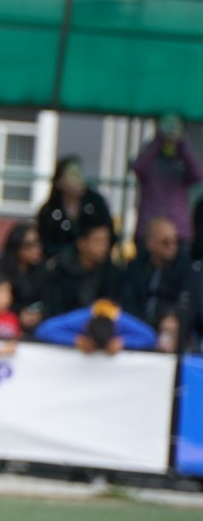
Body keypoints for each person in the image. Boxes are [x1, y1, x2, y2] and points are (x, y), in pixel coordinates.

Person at [120, 216, 200, 348]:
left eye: (175, 242)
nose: (172, 246)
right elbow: (128, 301)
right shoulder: (135, 267)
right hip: (136, 332)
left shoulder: (186, 268)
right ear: (150, 243)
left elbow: (189, 306)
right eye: (166, 242)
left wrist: (171, 319)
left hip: (173, 335)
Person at [133, 114, 201, 252]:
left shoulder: (182, 156)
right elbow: (138, 168)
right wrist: (158, 140)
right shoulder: (149, 153)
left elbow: (198, 174)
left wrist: (180, 144)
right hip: (148, 229)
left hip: (179, 232)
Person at [36, 156, 112, 264]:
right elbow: (45, 243)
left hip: (93, 263)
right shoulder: (49, 210)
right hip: (59, 264)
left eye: (80, 174)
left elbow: (108, 233)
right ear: (59, 182)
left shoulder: (96, 204)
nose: (79, 179)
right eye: (72, 175)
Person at [42, 221, 122, 318]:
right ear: (81, 243)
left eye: (106, 242)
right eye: (98, 241)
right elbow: (53, 307)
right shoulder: (62, 271)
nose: (104, 247)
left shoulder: (113, 273)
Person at [0, 222, 50, 337]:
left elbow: (49, 299)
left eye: (38, 243)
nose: (37, 249)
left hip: (36, 325)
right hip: (2, 324)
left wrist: (40, 314)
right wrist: (18, 314)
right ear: (17, 246)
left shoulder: (43, 270)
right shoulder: (0, 268)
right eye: (30, 245)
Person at [36, 299, 157, 354]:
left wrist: (123, 342)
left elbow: (151, 337)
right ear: (85, 326)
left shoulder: (121, 321)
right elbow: (44, 329)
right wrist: (75, 340)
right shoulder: (82, 319)